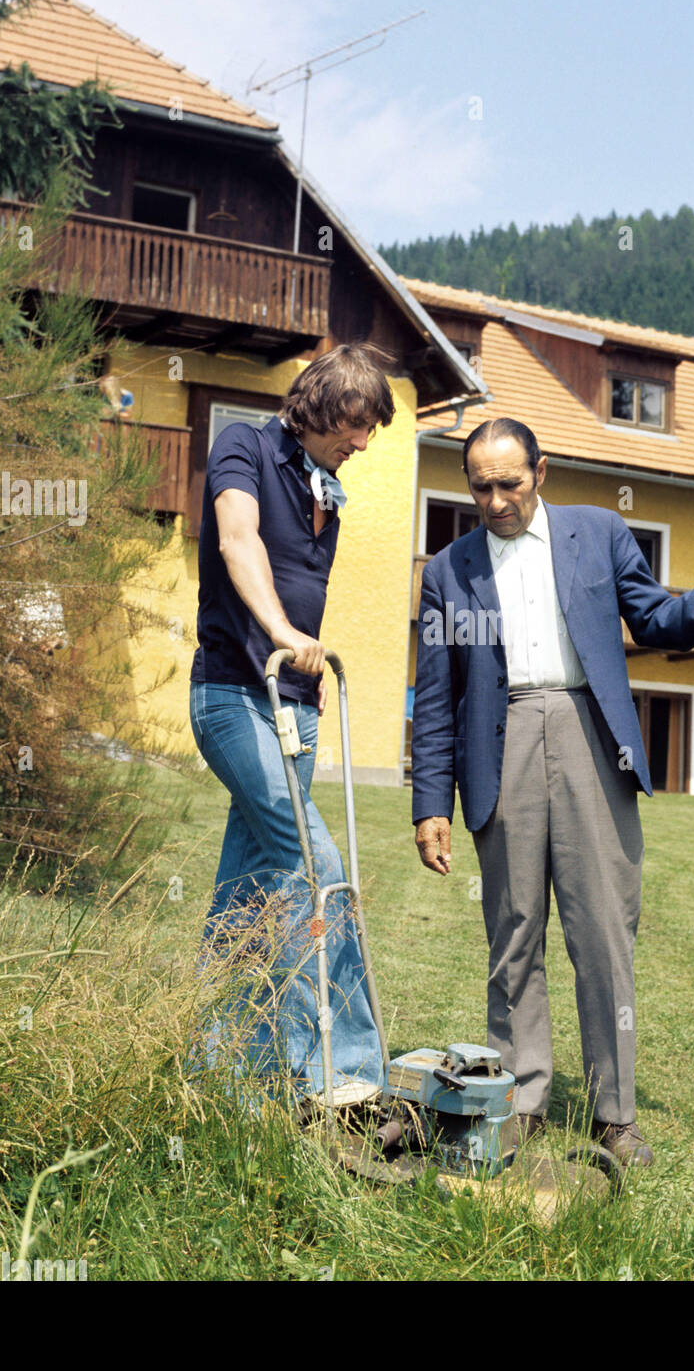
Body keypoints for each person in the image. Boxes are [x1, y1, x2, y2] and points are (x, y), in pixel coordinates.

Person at [411, 417, 694, 1165]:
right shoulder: (450, 571)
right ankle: (521, 1099)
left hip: (588, 733)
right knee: (514, 936)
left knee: (605, 934)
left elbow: (660, 621)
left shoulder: (599, 534)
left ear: (540, 471)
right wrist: (428, 805)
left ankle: (614, 1113)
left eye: (509, 483)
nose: (495, 500)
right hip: (500, 743)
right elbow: (437, 696)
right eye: (480, 486)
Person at [189, 343, 395, 1108]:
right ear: (319, 403)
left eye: (373, 429)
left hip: (294, 710)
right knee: (319, 868)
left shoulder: (327, 489)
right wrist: (280, 631)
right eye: (357, 423)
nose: (364, 442)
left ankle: (218, 1069)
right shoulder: (243, 445)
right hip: (234, 698)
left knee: (247, 895)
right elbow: (239, 541)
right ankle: (336, 1071)